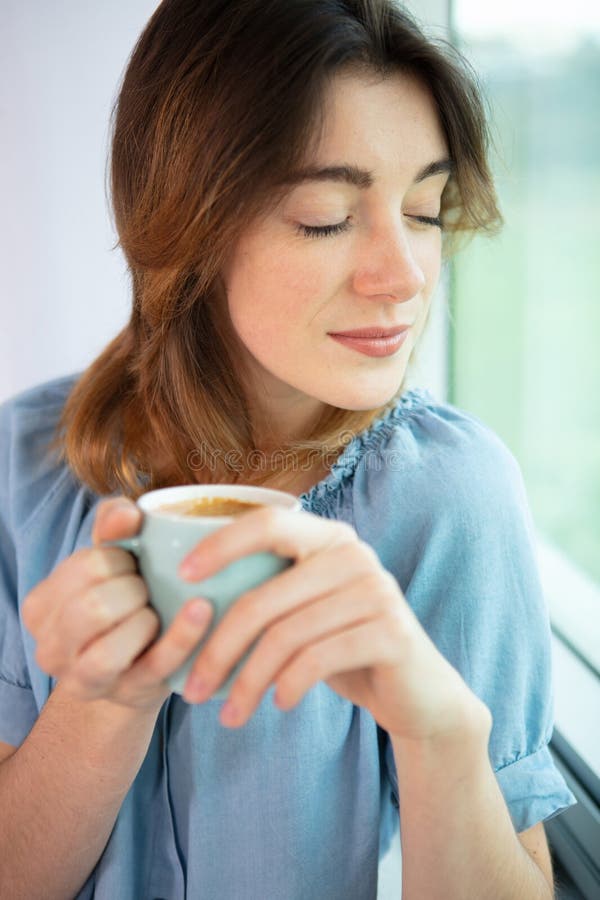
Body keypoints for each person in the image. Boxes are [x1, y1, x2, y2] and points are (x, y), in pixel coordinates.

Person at [0, 1, 576, 898]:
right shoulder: (22, 464)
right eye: (325, 217)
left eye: (425, 210)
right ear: (185, 224)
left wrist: (439, 734)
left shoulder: (451, 494)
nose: (406, 273)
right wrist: (104, 699)